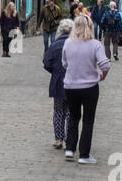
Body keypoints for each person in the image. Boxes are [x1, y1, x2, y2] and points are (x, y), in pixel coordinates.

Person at [62, 13, 109, 164]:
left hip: (70, 86)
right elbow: (105, 64)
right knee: (88, 120)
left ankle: (69, 149)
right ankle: (84, 154)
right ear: (90, 27)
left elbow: (64, 63)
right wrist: (103, 75)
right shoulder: (95, 44)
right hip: (89, 86)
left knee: (73, 117)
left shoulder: (68, 43)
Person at [42, 17, 75, 149]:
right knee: (69, 112)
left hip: (57, 81)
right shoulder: (75, 44)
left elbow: (46, 63)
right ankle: (68, 138)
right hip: (73, 82)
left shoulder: (54, 44)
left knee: (58, 111)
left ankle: (58, 139)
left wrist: (55, 72)